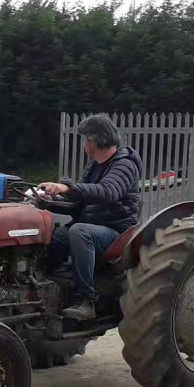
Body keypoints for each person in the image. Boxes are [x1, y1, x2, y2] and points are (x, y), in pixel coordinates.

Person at [36, 114, 144, 321]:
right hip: (93, 225)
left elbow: (108, 191)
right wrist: (50, 201)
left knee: (79, 232)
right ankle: (42, 284)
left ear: (95, 141)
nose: (84, 145)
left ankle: (86, 300)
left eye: (85, 140)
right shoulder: (94, 166)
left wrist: (67, 187)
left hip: (116, 232)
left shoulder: (125, 164)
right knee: (55, 234)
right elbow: (81, 201)